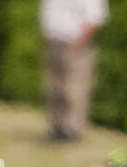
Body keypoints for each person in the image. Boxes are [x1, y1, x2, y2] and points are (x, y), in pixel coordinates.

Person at [40, 0, 109, 142]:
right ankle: (57, 127)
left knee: (74, 89)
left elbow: (95, 18)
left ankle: (72, 130)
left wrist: (79, 42)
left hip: (75, 44)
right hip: (54, 40)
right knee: (55, 87)